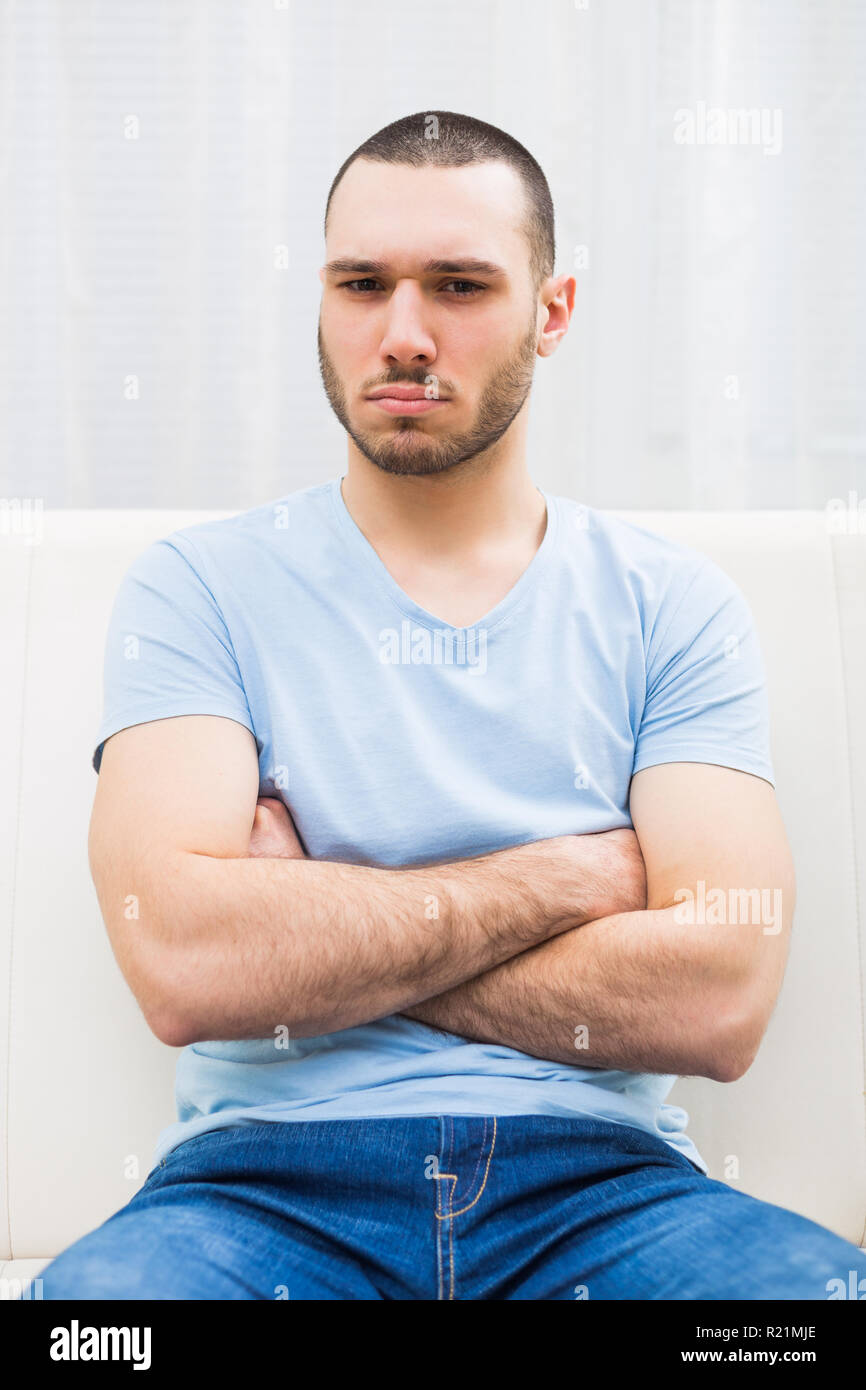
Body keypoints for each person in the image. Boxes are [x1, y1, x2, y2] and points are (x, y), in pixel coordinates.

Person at [41, 110, 866, 1300]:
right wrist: (566, 885)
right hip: (258, 1190)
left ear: (552, 309)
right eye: (360, 283)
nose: (403, 332)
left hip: (604, 1191)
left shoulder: (669, 605)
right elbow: (181, 961)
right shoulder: (198, 587)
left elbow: (722, 994)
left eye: (461, 285)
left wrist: (302, 923)